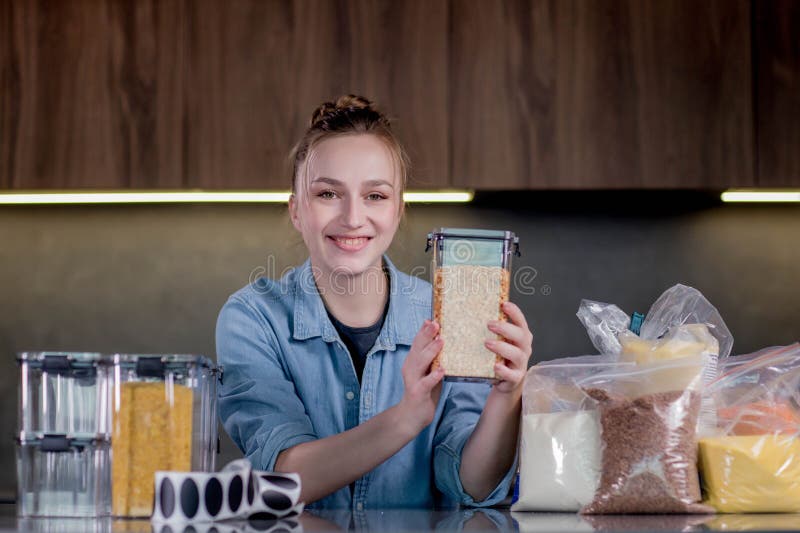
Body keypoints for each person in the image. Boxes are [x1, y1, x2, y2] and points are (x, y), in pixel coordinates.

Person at [216, 95, 533, 510]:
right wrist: (407, 418)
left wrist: (506, 397)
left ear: (399, 210)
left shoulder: (446, 316)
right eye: (328, 193)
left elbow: (471, 486)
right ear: (296, 210)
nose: (352, 217)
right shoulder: (253, 319)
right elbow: (283, 479)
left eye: (376, 196)